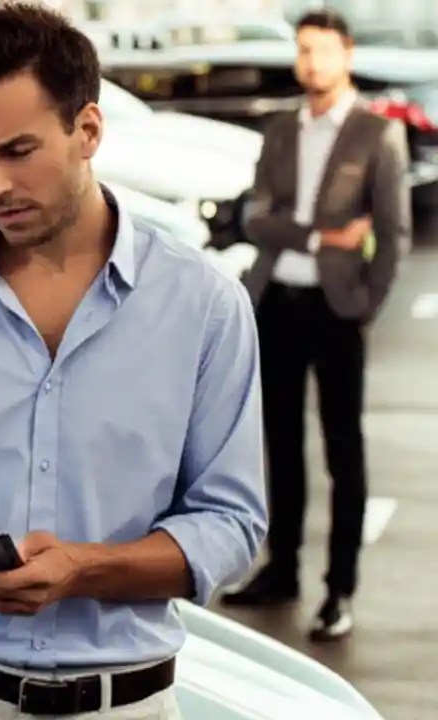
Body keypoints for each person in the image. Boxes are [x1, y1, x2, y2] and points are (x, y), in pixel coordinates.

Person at [0, 3, 268, 718]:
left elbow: (230, 523)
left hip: (126, 704)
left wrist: (83, 570)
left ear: (88, 129)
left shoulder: (204, 305)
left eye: (15, 151)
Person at [222, 10, 410, 642]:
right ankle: (283, 571)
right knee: (279, 447)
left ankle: (339, 589)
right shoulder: (281, 130)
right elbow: (255, 218)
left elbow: (393, 234)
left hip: (336, 310)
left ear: (346, 55)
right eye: (304, 51)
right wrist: (320, 234)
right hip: (276, 301)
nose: (311, 63)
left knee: (342, 449)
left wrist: (364, 305)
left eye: (322, 52)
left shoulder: (374, 134)